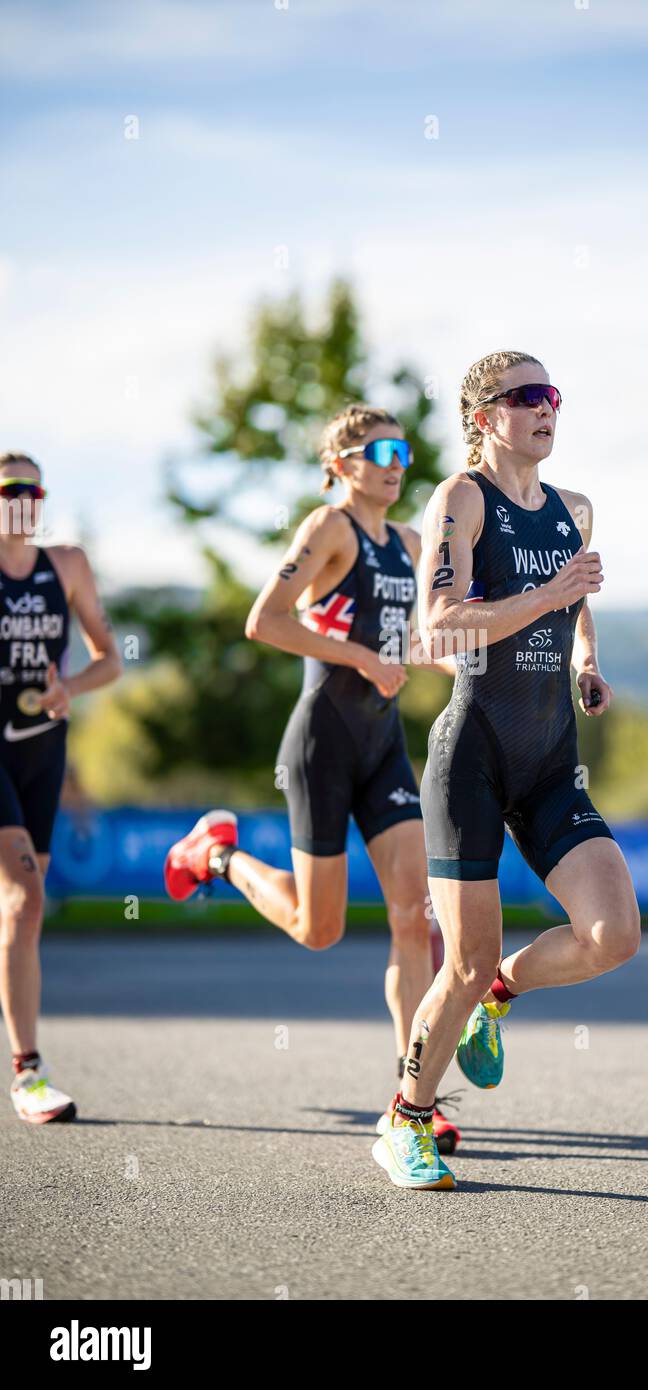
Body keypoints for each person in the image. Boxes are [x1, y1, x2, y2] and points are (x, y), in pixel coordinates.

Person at [372, 352, 641, 1189]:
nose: (547, 408)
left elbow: (579, 596)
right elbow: (440, 626)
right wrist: (549, 593)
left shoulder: (573, 509)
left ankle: (503, 994)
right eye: (526, 396)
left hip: (553, 758)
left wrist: (587, 660)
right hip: (474, 757)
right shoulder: (459, 498)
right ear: (485, 416)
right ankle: (403, 1121)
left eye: (553, 394)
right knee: (460, 955)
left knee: (614, 936)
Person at [164, 406, 461, 1149]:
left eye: (404, 450)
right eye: (381, 450)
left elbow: (418, 640)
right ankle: (217, 853)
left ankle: (413, 1092)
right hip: (323, 740)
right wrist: (363, 658)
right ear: (341, 463)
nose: (397, 462)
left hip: (383, 746)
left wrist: (465, 665)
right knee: (317, 929)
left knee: (413, 918)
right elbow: (265, 621)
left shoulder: (412, 543)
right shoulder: (328, 528)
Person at [0, 452, 122, 1122]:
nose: (25, 498)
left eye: (34, 489)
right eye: (11, 488)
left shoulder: (67, 565)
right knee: (23, 897)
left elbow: (109, 661)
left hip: (42, 751)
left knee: (24, 908)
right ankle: (29, 1071)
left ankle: (26, 1066)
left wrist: (66, 687)